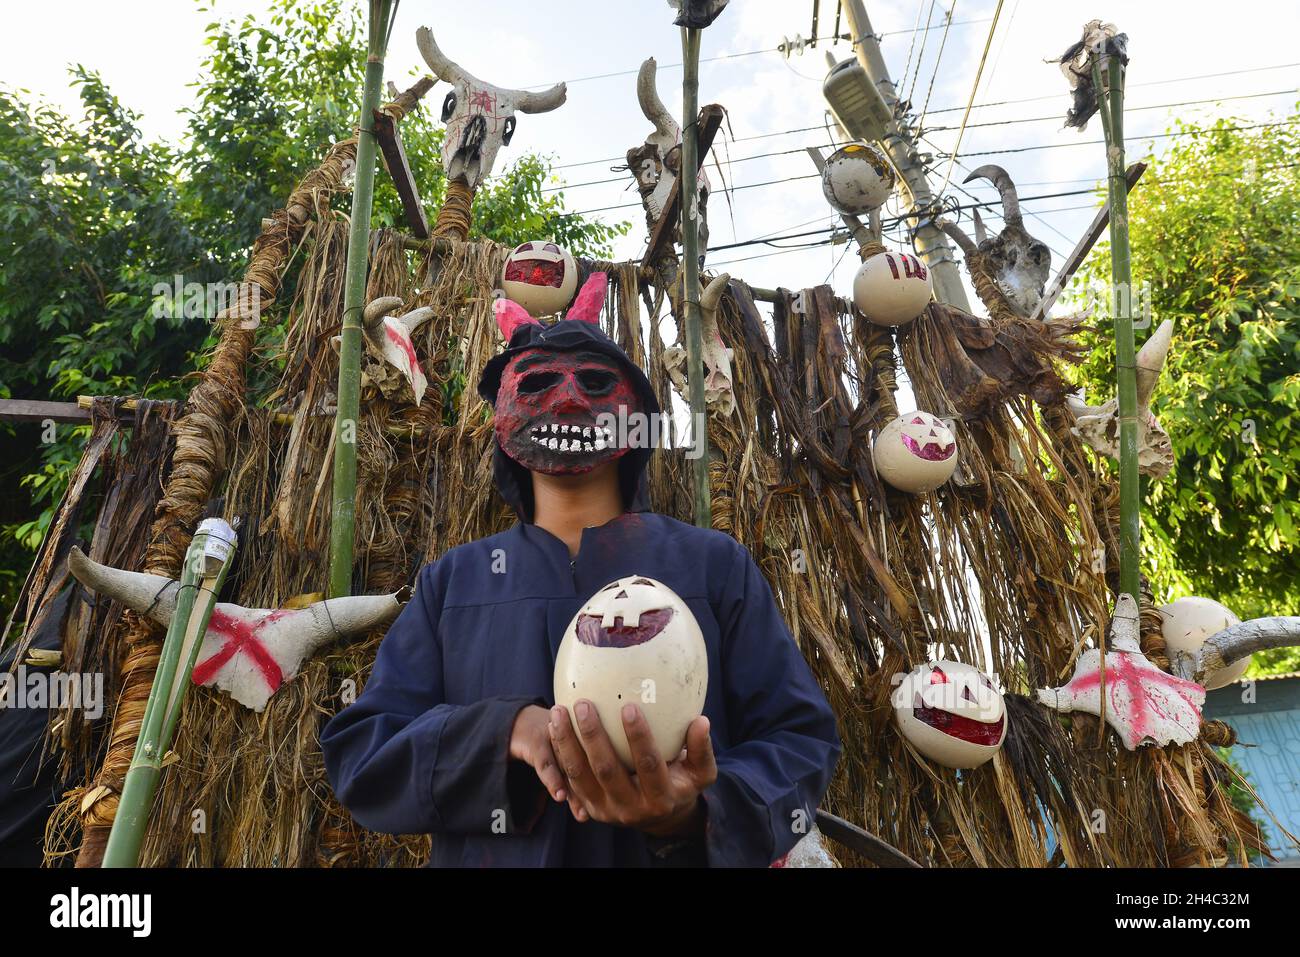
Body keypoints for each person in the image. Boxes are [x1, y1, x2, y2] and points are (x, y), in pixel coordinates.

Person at [321, 273, 840, 866]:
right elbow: (362, 756)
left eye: (595, 383)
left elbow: (800, 740)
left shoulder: (713, 565)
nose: (568, 400)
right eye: (539, 382)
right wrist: (504, 732)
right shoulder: (454, 582)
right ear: (501, 417)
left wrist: (692, 813)